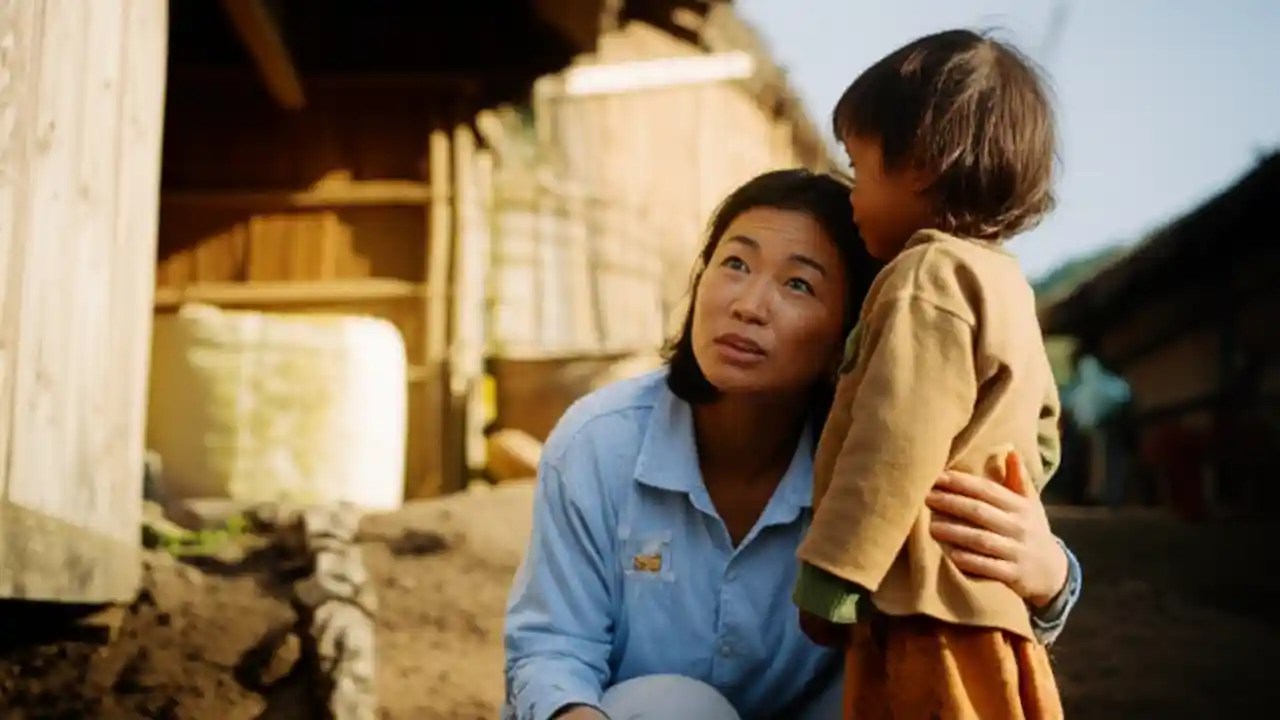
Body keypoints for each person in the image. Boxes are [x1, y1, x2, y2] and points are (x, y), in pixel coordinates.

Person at [503, 169, 1082, 720]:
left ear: (852, 338)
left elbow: (955, 623)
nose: (749, 305)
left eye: (798, 284)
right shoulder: (599, 442)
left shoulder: (884, 476)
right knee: (680, 708)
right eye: (734, 263)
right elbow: (552, 648)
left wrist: (1051, 581)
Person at [792, 29, 1069, 719]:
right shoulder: (1007, 286)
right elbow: (1042, 441)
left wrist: (833, 575)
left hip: (927, 610)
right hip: (995, 615)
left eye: (857, 166)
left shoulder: (925, 276)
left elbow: (895, 438)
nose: (851, 193)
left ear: (919, 162)